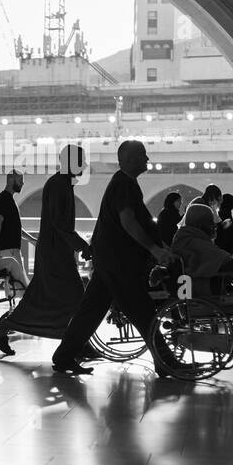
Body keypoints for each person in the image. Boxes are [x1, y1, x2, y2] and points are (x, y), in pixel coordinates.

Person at [50, 140, 177, 375]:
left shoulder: (125, 183)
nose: (147, 159)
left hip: (110, 260)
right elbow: (128, 221)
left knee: (91, 310)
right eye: (142, 155)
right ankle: (165, 361)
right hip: (119, 262)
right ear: (129, 159)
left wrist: (159, 245)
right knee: (142, 310)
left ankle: (64, 356)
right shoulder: (124, 185)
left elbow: (138, 220)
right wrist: (155, 249)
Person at [0, 144, 93, 356]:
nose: (85, 164)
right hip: (55, 253)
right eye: (81, 160)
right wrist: (82, 245)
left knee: (42, 299)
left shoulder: (61, 183)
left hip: (55, 251)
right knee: (72, 296)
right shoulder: (59, 185)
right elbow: (60, 224)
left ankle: (1, 330)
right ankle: (78, 344)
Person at [170, 203, 233, 293]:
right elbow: (230, 263)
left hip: (184, 293)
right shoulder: (198, 243)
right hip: (202, 293)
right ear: (200, 224)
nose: (215, 226)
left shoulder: (181, 239)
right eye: (211, 222)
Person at [0, 170, 35, 287]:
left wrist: (31, 240)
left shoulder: (10, 200)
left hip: (12, 250)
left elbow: (16, 227)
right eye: (20, 180)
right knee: (21, 283)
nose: (22, 184)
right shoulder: (2, 199)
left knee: (18, 283)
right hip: (6, 250)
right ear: (10, 180)